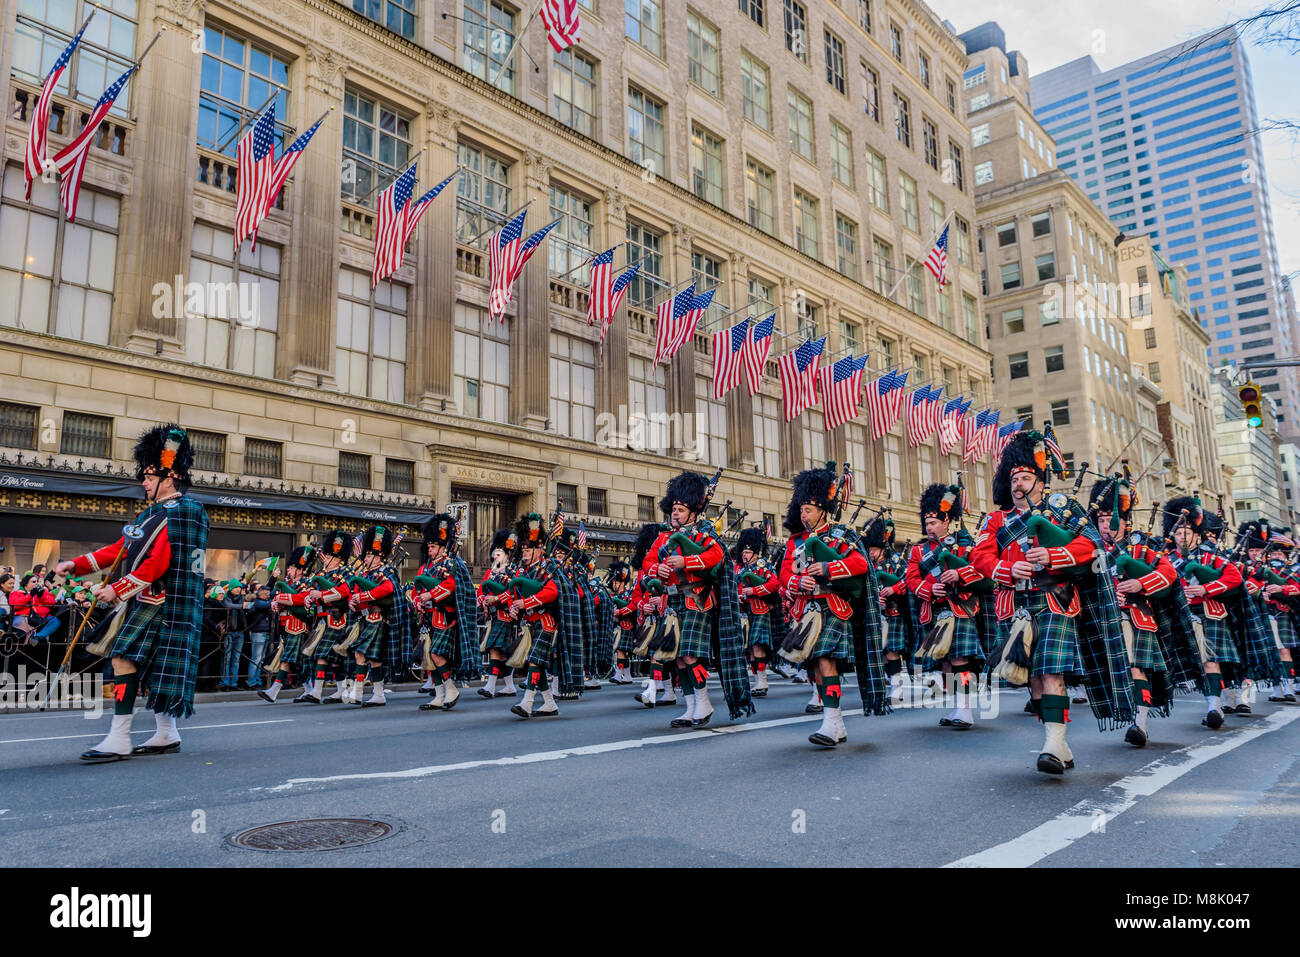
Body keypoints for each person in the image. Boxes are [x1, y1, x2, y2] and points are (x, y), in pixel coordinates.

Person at [970, 431, 1132, 775]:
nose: (1018, 484)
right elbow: (979, 557)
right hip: (1015, 604)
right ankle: (1057, 740)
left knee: (1050, 672)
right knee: (1033, 680)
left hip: (1055, 599)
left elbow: (1090, 547)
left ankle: (1054, 743)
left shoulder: (1063, 509)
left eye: (1026, 478)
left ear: (1040, 482)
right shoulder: (996, 521)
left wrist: (1054, 555)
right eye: (1013, 478)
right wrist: (1008, 567)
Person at [57, 424, 209, 762]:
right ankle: (166, 733)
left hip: (167, 602)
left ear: (168, 478)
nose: (143, 482)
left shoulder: (185, 512)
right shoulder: (152, 513)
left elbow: (158, 564)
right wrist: (77, 564)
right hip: (147, 598)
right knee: (154, 668)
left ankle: (119, 737)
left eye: (148, 476)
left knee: (122, 657)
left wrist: (117, 589)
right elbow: (121, 548)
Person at [778, 462, 888, 747]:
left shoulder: (842, 536)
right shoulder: (796, 542)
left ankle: (832, 721)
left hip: (834, 606)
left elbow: (860, 564)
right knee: (815, 664)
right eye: (801, 510)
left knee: (826, 660)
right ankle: (834, 722)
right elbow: (785, 574)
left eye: (809, 510)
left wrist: (828, 567)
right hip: (806, 610)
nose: (803, 515)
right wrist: (796, 583)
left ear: (823, 510)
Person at [1090, 478, 1199, 749]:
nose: (1107, 526)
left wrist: (1141, 583)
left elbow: (1169, 574)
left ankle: (1140, 723)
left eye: (1112, 520)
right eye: (1101, 521)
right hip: (1103, 620)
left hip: (1138, 617)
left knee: (1137, 668)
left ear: (1126, 522)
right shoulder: (1090, 550)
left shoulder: (1141, 549)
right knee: (1114, 671)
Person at [645, 471, 752, 728]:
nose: (675, 514)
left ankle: (703, 703)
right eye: (674, 509)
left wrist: (686, 561)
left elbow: (716, 557)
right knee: (678, 656)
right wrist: (656, 570)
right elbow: (648, 562)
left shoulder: (704, 532)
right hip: (673, 603)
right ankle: (691, 706)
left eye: (681, 510)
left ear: (693, 511)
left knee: (690, 654)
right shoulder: (662, 536)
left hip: (697, 599)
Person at [906, 483, 989, 729]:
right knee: (944, 661)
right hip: (934, 609)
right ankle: (957, 707)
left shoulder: (964, 546)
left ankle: (965, 709)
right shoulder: (919, 551)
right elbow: (911, 579)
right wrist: (929, 589)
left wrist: (959, 575)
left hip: (960, 607)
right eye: (926, 523)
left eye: (933, 523)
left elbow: (980, 572)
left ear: (945, 521)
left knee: (960, 658)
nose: (929, 527)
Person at [507, 513, 583, 718]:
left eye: (528, 548)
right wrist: (515, 607)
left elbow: (552, 592)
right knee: (537, 662)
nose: (524, 551)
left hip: (546, 622)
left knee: (534, 660)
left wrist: (527, 602)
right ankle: (549, 703)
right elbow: (515, 593)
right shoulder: (522, 570)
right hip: (530, 623)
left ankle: (527, 702)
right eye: (523, 548)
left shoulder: (547, 567)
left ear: (540, 548)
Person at [410, 513, 478, 712]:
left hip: (445, 616)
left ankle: (451, 690)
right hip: (429, 618)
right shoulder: (426, 567)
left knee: (437, 654)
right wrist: (418, 601)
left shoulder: (451, 564)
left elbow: (451, 586)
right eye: (429, 547)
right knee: (431, 657)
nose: (429, 550)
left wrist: (430, 595)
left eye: (433, 547)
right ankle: (439, 696)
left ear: (442, 545)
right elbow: (416, 589)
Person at [347, 526, 415, 708]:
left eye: (369, 556)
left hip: (379, 620)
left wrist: (361, 597)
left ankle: (358, 690)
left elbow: (388, 589)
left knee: (360, 652)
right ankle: (378, 694)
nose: (366, 559)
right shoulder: (366, 574)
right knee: (374, 659)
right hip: (365, 619)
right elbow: (355, 592)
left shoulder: (387, 571)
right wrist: (352, 602)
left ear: (378, 556)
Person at [259, 546, 316, 702]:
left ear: (299, 569)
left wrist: (281, 599)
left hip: (298, 625)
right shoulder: (288, 583)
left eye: (291, 568)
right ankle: (310, 690)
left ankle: (273, 691)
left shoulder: (306, 583)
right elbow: (276, 597)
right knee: (298, 662)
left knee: (287, 658)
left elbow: (301, 598)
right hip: (285, 625)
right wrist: (274, 604)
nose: (288, 570)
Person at [733, 527, 782, 698]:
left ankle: (762, 681)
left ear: (756, 551)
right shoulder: (739, 569)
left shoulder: (764, 565)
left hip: (761, 608)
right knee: (750, 647)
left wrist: (754, 591)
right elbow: (736, 588)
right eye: (743, 552)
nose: (745, 555)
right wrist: (738, 596)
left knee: (757, 643)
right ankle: (757, 680)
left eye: (748, 552)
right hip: (745, 611)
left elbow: (774, 584)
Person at [477, 527, 520, 698]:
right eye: (495, 553)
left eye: (499, 553)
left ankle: (491, 686)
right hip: (492, 616)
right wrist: (483, 601)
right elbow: (481, 591)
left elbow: (514, 591)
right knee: (500, 653)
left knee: (494, 648)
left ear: (507, 555)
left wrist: (497, 599)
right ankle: (509, 686)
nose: (496, 556)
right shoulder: (489, 572)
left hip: (506, 615)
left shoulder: (512, 571)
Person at [245, 583, 274, 690]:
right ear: (261, 594)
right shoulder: (257, 602)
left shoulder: (264, 602)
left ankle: (257, 680)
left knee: (261, 659)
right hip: (258, 633)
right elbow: (268, 605)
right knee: (256, 659)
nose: (268, 596)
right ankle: (251, 681)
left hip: (264, 632)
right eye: (266, 594)